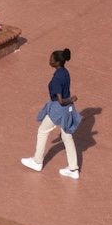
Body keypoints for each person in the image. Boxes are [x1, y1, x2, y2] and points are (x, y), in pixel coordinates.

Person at [21, 47, 81, 179]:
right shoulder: (66, 73)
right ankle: (73, 169)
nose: (49, 60)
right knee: (67, 138)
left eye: (51, 59)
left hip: (58, 110)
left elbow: (60, 100)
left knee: (43, 131)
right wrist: (71, 101)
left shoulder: (56, 79)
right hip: (67, 111)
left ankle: (37, 161)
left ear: (57, 62)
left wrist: (70, 100)